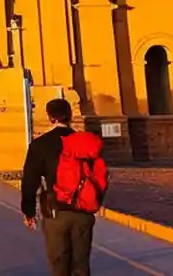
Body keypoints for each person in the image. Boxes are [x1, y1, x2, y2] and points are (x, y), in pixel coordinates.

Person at [20, 99, 108, 276]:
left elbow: (30, 181)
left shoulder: (40, 145)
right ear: (70, 116)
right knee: (81, 264)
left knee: (59, 264)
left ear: (50, 117)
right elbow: (100, 175)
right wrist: (95, 201)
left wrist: (29, 212)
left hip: (55, 212)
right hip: (83, 211)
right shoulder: (85, 143)